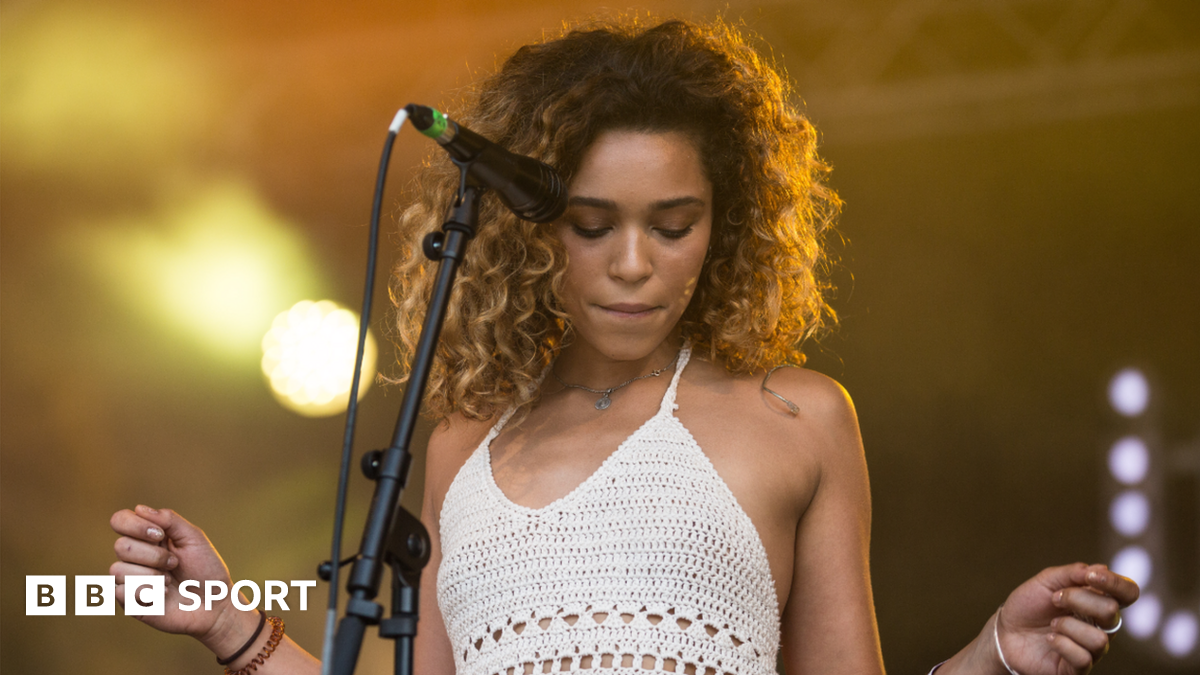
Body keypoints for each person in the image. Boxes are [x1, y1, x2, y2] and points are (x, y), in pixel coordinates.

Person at [108, 17, 1139, 675]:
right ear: (532, 225)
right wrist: (232, 626)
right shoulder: (464, 442)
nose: (634, 263)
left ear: (722, 227)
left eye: (673, 223)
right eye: (594, 225)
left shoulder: (799, 418)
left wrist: (996, 656)